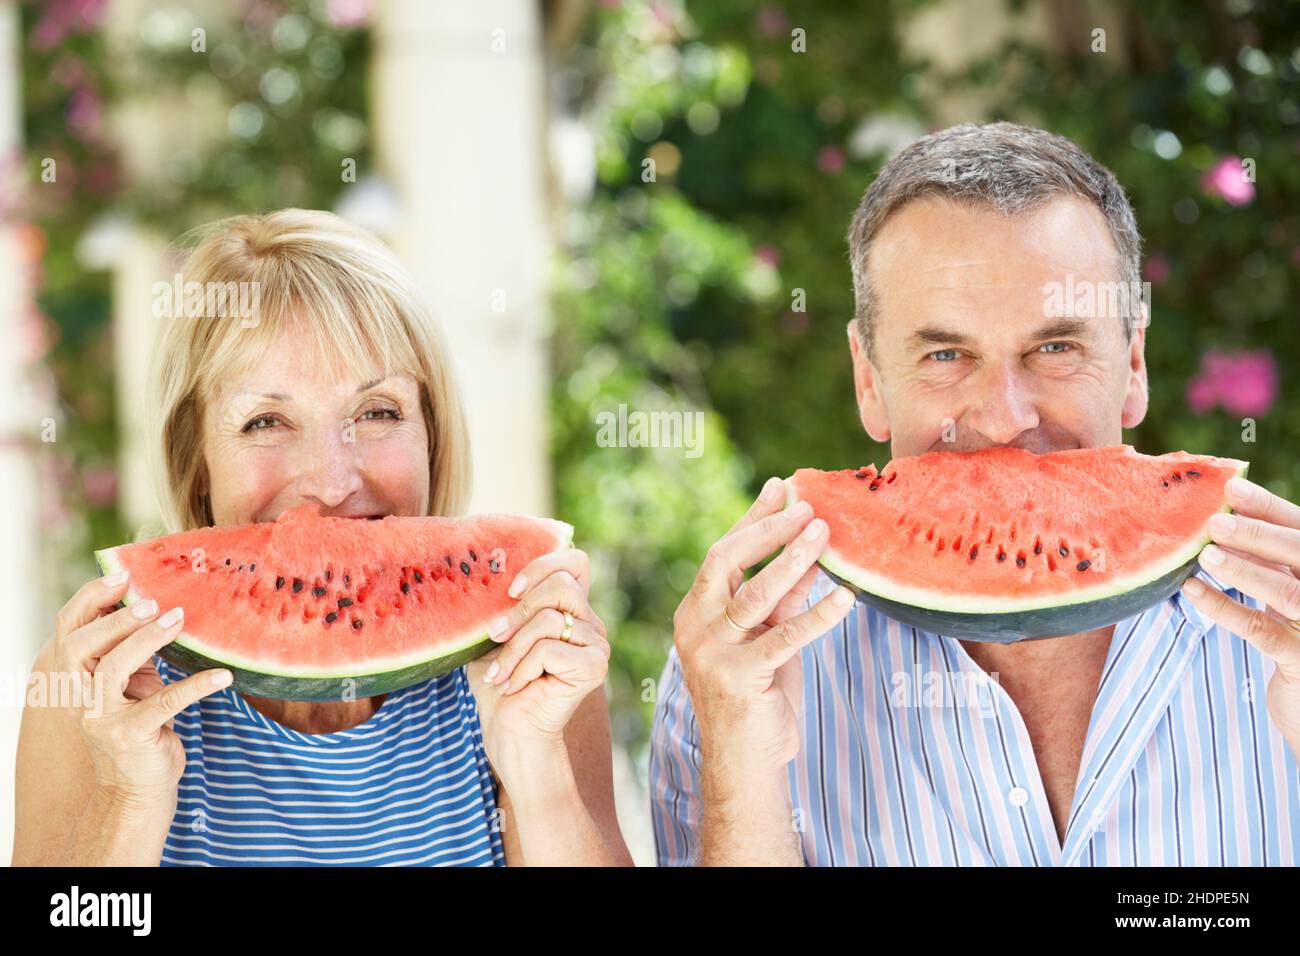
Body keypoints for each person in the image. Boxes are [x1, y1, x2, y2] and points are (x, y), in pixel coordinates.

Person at [651, 122, 1300, 866]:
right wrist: (743, 775)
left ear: (1133, 363)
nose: (1004, 418)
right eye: (946, 354)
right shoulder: (739, 667)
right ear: (869, 381)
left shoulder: (1283, 623)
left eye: (1055, 347)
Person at [13, 209, 631, 866]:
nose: (332, 483)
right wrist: (126, 797)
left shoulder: (529, 655)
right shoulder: (101, 684)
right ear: (198, 460)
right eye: (265, 422)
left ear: (432, 435)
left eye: (377, 411)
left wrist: (537, 768)